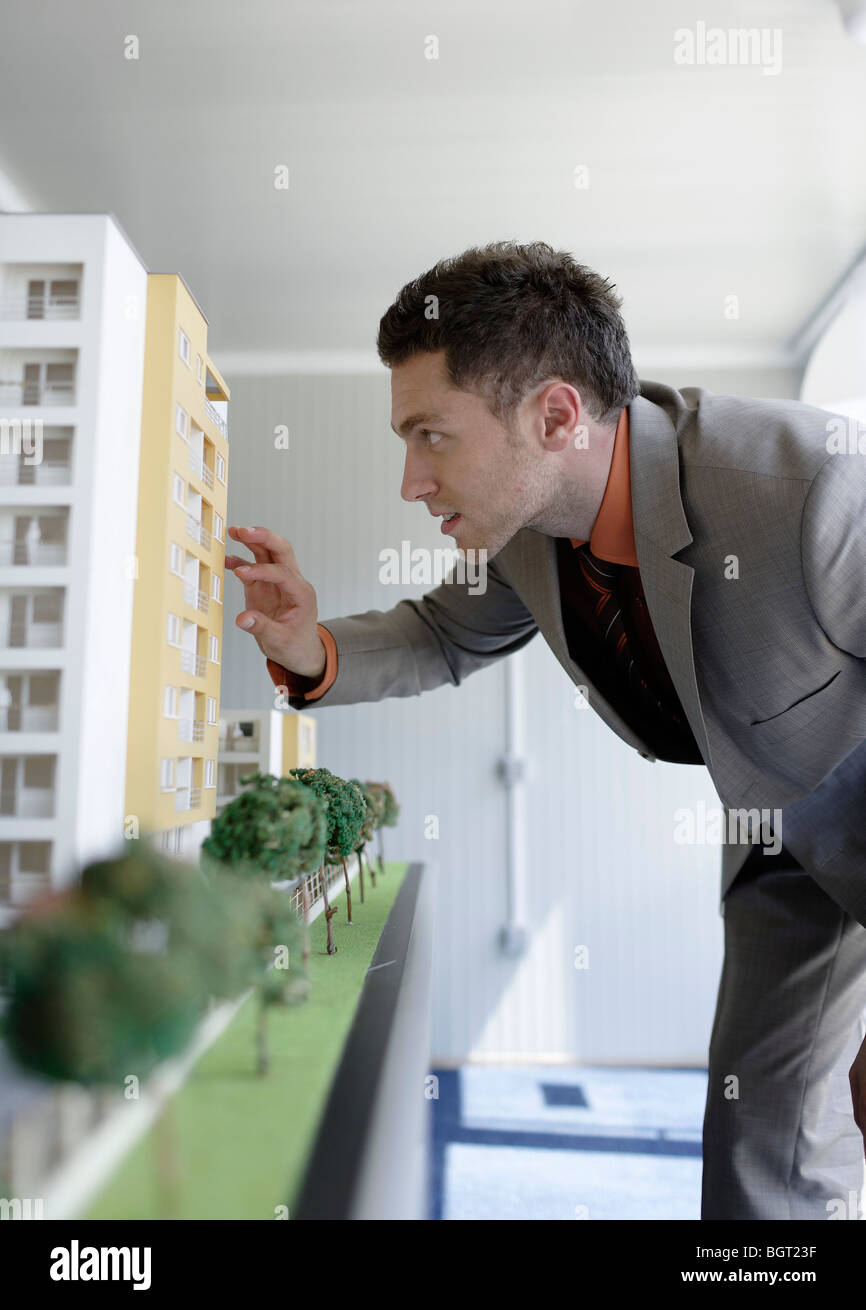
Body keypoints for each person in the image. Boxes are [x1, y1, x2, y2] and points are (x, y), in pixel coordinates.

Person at [227, 240, 866, 1220]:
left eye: (430, 435)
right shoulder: (527, 530)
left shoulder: (810, 489)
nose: (410, 480)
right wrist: (306, 642)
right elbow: (441, 635)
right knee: (755, 1137)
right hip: (772, 830)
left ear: (554, 414)